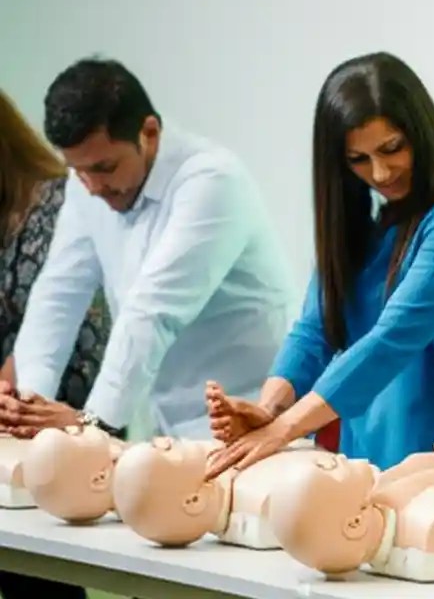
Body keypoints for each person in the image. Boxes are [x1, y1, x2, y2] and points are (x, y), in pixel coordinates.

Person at [205, 51, 434, 477]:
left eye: (392, 149)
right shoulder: (362, 231)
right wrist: (267, 410)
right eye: (359, 160)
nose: (381, 173)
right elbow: (313, 332)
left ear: (420, 133)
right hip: (362, 467)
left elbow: (394, 337)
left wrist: (284, 430)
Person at [4, 58, 292, 440]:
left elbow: (153, 311)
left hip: (244, 421)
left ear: (150, 133)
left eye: (105, 167)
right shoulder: (86, 183)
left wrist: (94, 423)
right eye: (79, 170)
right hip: (155, 429)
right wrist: (28, 407)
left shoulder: (211, 180)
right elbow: (57, 295)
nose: (92, 185)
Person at [0, 90, 110, 599]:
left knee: (41, 582)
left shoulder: (57, 204)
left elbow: (79, 333)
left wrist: (12, 388)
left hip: (60, 420)